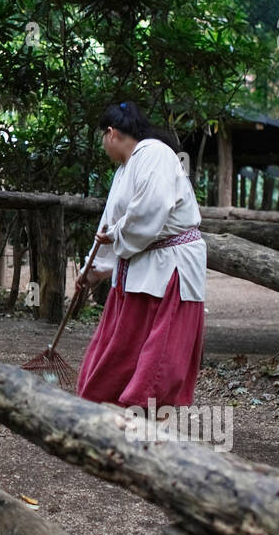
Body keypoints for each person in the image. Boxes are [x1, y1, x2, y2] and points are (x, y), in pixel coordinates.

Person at [74, 102, 206, 408]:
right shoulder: (125, 169)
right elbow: (109, 225)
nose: (103, 147)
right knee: (122, 348)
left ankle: (146, 416)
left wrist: (118, 235)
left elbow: (151, 210)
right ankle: (106, 407)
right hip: (139, 268)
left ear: (110, 133)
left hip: (171, 267)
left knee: (158, 355)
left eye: (101, 139)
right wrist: (89, 271)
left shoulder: (155, 153)